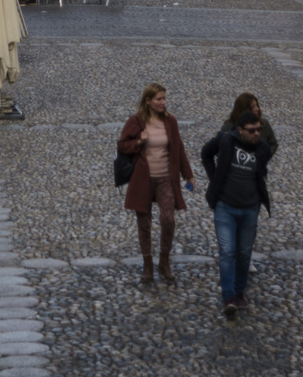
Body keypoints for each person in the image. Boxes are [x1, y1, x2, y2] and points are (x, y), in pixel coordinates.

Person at [117, 83, 195, 287]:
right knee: (144, 223)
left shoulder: (170, 121)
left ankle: (164, 261)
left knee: (168, 219)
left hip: (165, 178)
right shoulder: (136, 121)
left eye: (164, 98)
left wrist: (188, 175)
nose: (163, 102)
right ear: (148, 101)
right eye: (159, 99)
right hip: (143, 179)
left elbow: (179, 149)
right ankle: (147, 264)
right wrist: (138, 142)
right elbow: (122, 145)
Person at [200, 110, 273, 318]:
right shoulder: (225, 140)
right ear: (240, 130)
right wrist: (214, 180)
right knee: (228, 252)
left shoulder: (262, 149)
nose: (257, 133)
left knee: (244, 253)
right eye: (252, 130)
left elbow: (262, 170)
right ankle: (229, 296)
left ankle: (240, 291)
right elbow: (205, 153)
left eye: (259, 129)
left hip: (250, 208)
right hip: (226, 207)